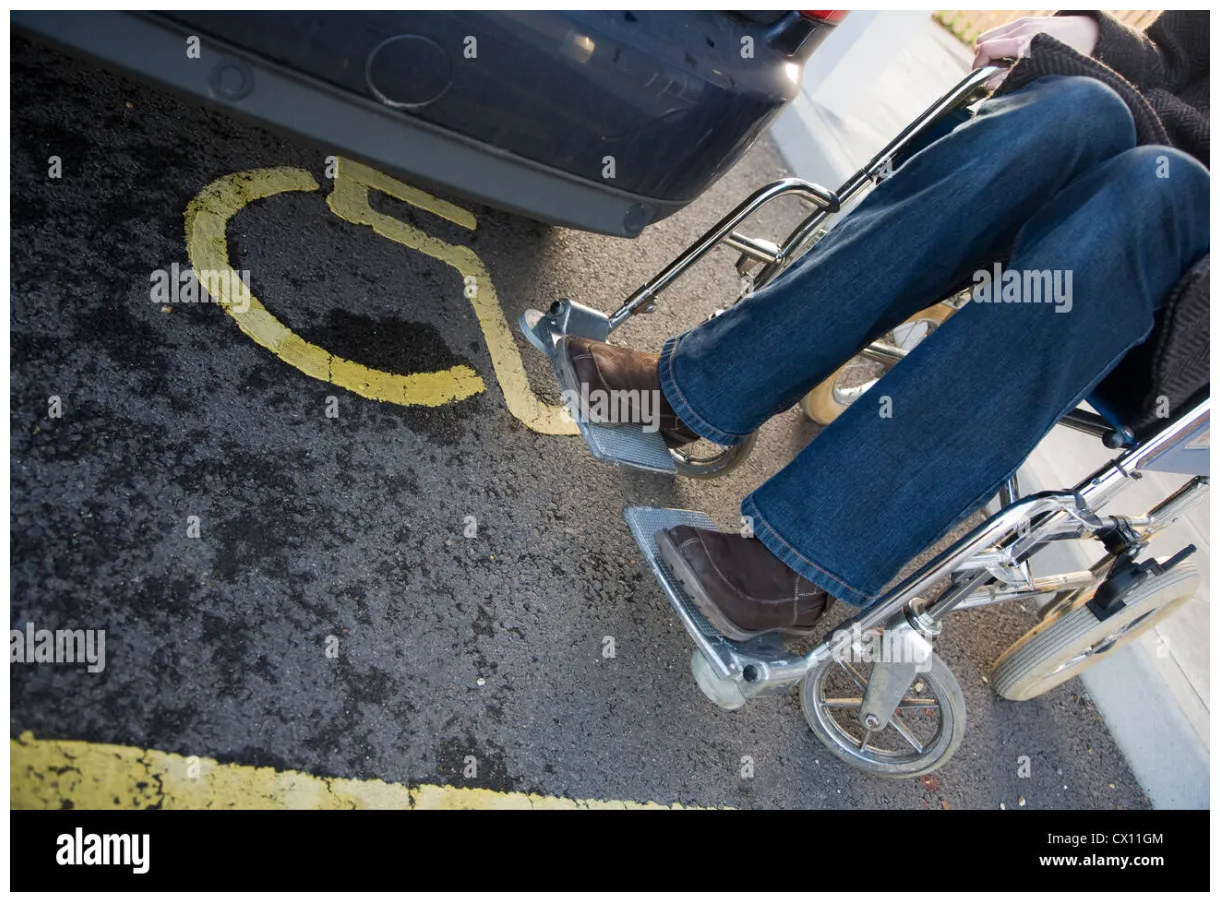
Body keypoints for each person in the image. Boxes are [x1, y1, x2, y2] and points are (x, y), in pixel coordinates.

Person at [556, 11, 1209, 641]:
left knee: (1163, 187)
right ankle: (693, 393)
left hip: (1183, 296)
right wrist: (1092, 32)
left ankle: (805, 559)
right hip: (1130, 157)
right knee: (1081, 108)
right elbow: (1171, 63)